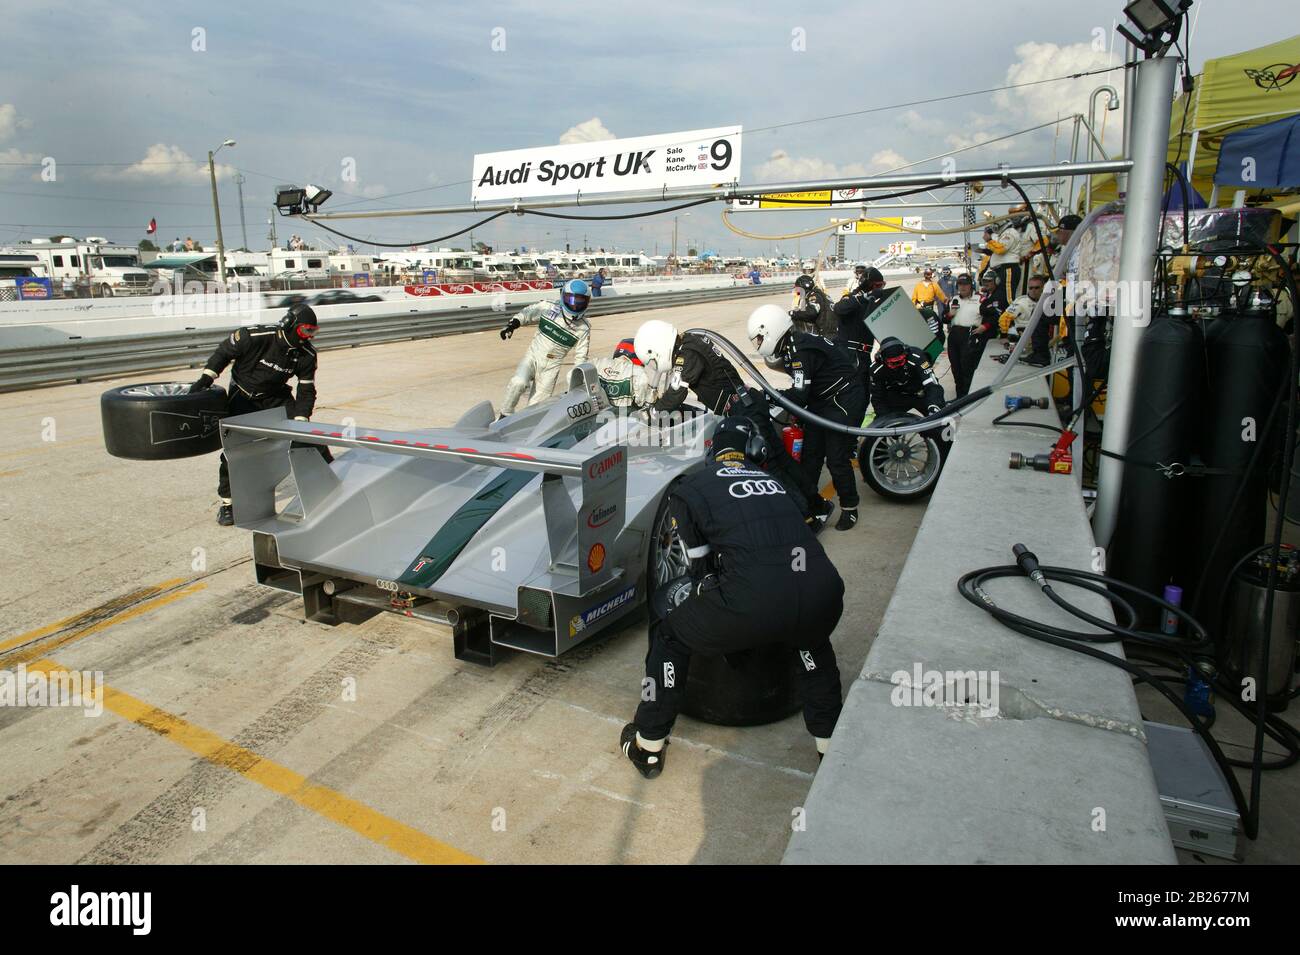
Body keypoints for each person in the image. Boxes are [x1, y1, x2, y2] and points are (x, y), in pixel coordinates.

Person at [620, 416, 845, 778]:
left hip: (753, 601)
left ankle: (648, 744)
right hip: (824, 589)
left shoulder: (692, 487)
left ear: (712, 450)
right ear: (752, 453)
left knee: (670, 633)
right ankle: (830, 750)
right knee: (812, 642)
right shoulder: (775, 482)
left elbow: (700, 569)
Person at [634, 319, 830, 529]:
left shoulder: (687, 355)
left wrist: (651, 414)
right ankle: (818, 506)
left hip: (744, 410)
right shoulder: (692, 342)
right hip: (749, 404)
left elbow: (676, 394)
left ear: (657, 348)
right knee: (782, 461)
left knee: (770, 470)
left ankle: (806, 518)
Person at [190, 303, 325, 526]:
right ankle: (228, 503)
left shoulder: (307, 354)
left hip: (276, 396)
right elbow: (224, 352)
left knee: (308, 438)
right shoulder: (254, 336)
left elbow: (306, 388)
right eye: (306, 331)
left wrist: (301, 419)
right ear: (290, 325)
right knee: (234, 453)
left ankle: (328, 489)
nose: (309, 336)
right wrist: (207, 377)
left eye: (313, 331)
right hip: (242, 396)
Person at [748, 304, 866, 530]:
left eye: (760, 339)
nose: (760, 345)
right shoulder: (792, 346)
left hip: (842, 398)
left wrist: (771, 397)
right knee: (811, 455)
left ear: (771, 331)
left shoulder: (799, 351)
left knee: (836, 457)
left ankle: (850, 508)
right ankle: (810, 505)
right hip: (822, 399)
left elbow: (800, 395)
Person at [498, 278, 592, 414]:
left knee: (537, 407)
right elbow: (527, 313)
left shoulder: (584, 327)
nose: (575, 305)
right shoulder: (548, 306)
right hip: (533, 356)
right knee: (518, 383)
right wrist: (512, 324)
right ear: (563, 296)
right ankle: (504, 415)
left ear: (587, 302)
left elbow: (581, 357)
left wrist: (576, 377)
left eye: (580, 301)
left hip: (552, 367)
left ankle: (525, 428)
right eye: (572, 300)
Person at [946, 272, 997, 398]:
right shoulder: (954, 299)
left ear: (971, 286)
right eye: (960, 285)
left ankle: (967, 398)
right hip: (954, 336)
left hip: (969, 336)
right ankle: (959, 398)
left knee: (967, 369)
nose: (962, 287)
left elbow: (995, 316)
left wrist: (985, 326)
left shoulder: (980, 299)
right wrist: (950, 314)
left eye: (965, 284)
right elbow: (944, 319)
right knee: (956, 370)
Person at [871, 337, 946, 418]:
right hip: (898, 397)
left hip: (921, 394)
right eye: (893, 363)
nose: (897, 366)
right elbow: (877, 397)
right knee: (882, 422)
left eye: (900, 361)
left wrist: (934, 405)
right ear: (882, 359)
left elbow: (932, 384)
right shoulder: (876, 369)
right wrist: (883, 416)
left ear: (905, 354)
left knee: (940, 420)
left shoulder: (917, 356)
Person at [998, 273, 1051, 365]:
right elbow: (1004, 318)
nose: (1033, 290)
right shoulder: (1021, 302)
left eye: (1037, 288)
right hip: (1025, 339)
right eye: (1031, 288)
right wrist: (1003, 336)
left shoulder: (1048, 302)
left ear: (1043, 288)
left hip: (1044, 340)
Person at [594, 338, 657, 413]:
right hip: (623, 416)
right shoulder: (638, 372)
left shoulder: (597, 362)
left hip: (597, 411)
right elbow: (641, 402)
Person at [987, 212, 1026, 306]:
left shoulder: (1010, 233)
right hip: (1002, 270)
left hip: (1009, 269)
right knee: (1002, 297)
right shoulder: (1004, 234)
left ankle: (1011, 317)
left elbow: (1001, 249)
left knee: (1009, 298)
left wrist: (989, 240)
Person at [910, 267, 948, 344]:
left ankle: (933, 341)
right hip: (920, 307)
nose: (928, 275)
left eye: (930, 274)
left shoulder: (934, 285)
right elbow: (914, 297)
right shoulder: (918, 285)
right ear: (924, 275)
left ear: (931, 275)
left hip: (929, 308)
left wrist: (946, 301)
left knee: (931, 325)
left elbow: (940, 294)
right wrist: (913, 307)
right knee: (921, 325)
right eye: (927, 274)